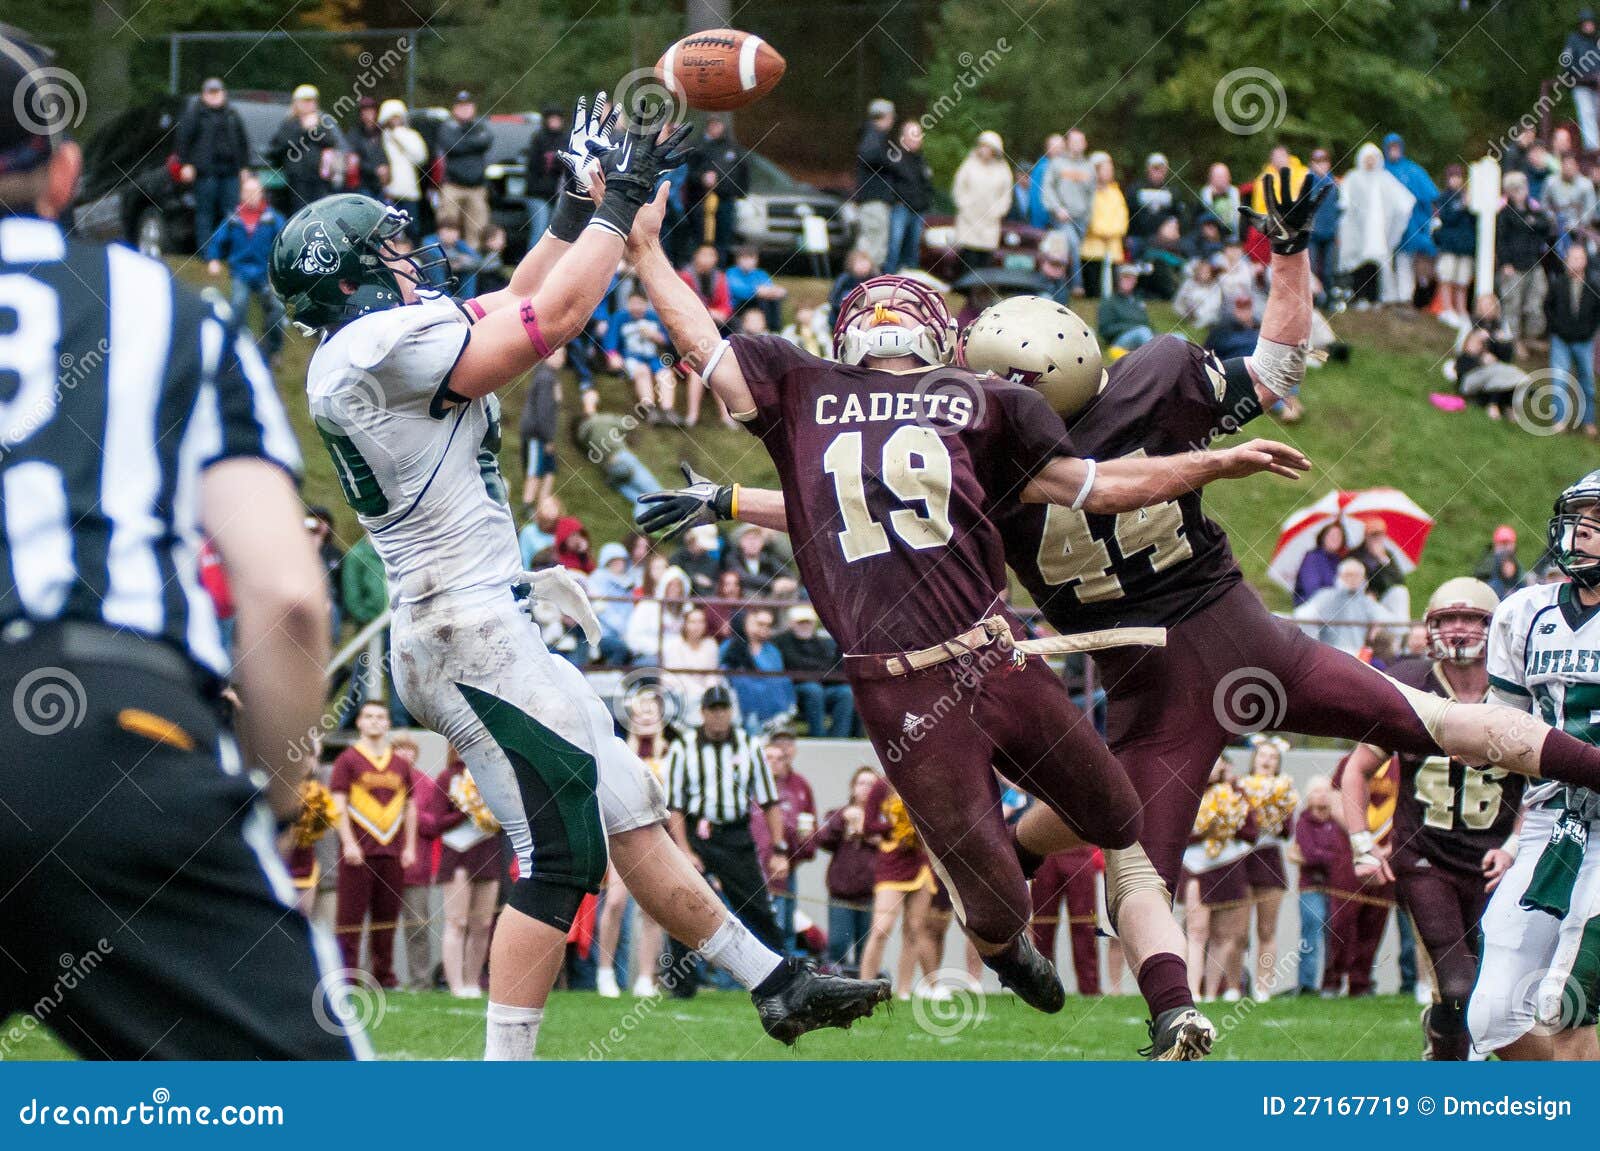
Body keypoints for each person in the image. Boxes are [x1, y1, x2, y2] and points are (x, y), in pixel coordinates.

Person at [654, 166, 1600, 1037]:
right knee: (1443, 720)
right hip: (1246, 638)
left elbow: (849, 495)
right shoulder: (1144, 381)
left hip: (1147, 682)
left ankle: (1171, 1012)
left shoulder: (990, 441)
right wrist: (1288, 253)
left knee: (1131, 853)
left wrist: (728, 496)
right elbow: (1275, 370)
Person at [629, 196, 1319, 1057]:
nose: (884, 332)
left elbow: (1092, 484)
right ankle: (1000, 946)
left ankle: (1039, 916)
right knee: (1000, 904)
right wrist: (648, 249)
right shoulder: (825, 389)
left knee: (1118, 809)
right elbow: (717, 366)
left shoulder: (948, 399)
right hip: (901, 690)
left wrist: (649, 250)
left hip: (992, 657)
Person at [271, 98, 885, 1058]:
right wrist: (622, 206)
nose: (408, 258)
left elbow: (516, 298)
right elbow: (549, 321)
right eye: (387, 251)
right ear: (349, 278)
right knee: (556, 854)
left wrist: (573, 208)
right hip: (459, 629)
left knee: (630, 804)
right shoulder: (365, 352)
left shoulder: (377, 347)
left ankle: (776, 980)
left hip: (482, 621)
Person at [0, 26, 358, 1059]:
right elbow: (289, 597)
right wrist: (276, 791)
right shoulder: (166, 311)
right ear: (64, 170)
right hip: (110, 747)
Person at [1341, 578, 1522, 1059]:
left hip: (1496, 862)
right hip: (1426, 859)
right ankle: (1448, 1064)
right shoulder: (1411, 684)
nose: (1458, 630)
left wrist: (1516, 846)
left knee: (1490, 993)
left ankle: (1444, 1057)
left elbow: (1542, 784)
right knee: (1460, 985)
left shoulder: (1518, 690)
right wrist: (1361, 843)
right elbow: (1357, 771)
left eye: (1470, 619)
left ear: (1494, 627)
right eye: (1446, 619)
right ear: (1429, 628)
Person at [1470, 470, 1600, 1060]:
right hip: (1552, 823)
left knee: (1567, 997)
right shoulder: (1524, 612)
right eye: (1582, 520)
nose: (1585, 534)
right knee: (1493, 1015)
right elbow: (1507, 727)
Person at [664, 686, 789, 992]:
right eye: (713, 709)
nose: (719, 716)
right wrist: (685, 850)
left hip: (735, 834)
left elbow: (769, 801)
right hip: (696, 834)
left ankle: (781, 978)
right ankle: (682, 985)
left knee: (757, 907)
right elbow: (675, 806)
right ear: (703, 713)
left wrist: (779, 848)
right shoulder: (683, 747)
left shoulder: (749, 745)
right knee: (685, 905)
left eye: (723, 709)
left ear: (731, 712)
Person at [330, 701, 420, 989]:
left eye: (380, 716)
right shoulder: (348, 759)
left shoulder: (400, 764)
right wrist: (348, 842)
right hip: (358, 852)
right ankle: (347, 977)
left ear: (387, 723)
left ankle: (384, 977)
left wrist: (409, 847)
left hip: (392, 852)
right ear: (359, 722)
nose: (374, 721)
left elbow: (410, 806)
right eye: (368, 716)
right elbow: (338, 804)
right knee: (350, 918)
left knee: (387, 919)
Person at [424, 750, 505, 998]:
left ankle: (472, 982)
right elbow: (435, 823)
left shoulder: (495, 774)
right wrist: (467, 809)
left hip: (487, 852)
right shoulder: (448, 777)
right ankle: (455, 984)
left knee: (482, 923)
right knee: (457, 922)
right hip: (457, 853)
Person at [856, 776, 942, 993]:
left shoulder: (924, 783)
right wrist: (897, 826)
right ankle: (866, 985)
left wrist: (917, 830)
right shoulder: (881, 786)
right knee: (881, 928)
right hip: (891, 863)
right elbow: (869, 826)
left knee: (914, 929)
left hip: (920, 862)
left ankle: (904, 989)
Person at [1239, 739, 1297, 1002]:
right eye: (1263, 755)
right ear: (1254, 759)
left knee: (1266, 929)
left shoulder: (1285, 790)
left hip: (1269, 856)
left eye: (1273, 757)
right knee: (1238, 930)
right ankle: (1236, 984)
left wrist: (1278, 809)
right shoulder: (1239, 787)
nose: (1267, 760)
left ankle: (1263, 987)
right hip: (1241, 857)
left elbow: (1287, 831)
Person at [208, 172, 286, 362]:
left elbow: (285, 241)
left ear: (261, 193)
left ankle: (273, 350)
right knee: (238, 305)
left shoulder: (272, 218)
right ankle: (238, 347)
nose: (251, 195)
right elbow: (216, 242)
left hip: (265, 274)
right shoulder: (233, 218)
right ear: (241, 194)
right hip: (241, 273)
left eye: (255, 191)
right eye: (247, 191)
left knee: (276, 309)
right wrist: (213, 259)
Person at [750, 730, 815, 952]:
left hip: (787, 866)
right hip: (753, 864)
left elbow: (811, 825)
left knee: (785, 923)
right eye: (770, 757)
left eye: (781, 755)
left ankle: (782, 974)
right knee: (750, 921)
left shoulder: (800, 785)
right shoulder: (750, 786)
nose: (776, 761)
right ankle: (731, 981)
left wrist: (805, 843)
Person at [175, 76, 249, 262]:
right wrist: (186, 164)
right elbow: (183, 140)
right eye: (211, 92)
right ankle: (207, 253)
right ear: (204, 94)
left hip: (230, 171)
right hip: (206, 171)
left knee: (231, 212)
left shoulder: (232, 114)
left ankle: (229, 252)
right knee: (205, 213)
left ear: (223, 94)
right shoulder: (195, 114)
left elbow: (243, 142)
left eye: (218, 92)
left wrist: (244, 167)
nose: (215, 96)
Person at [816, 768, 882, 975]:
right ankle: (833, 984)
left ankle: (864, 985)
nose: (865, 789)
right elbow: (822, 840)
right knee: (837, 944)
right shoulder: (838, 814)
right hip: (841, 893)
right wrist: (843, 821)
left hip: (872, 894)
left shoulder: (884, 819)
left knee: (866, 947)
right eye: (861, 783)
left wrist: (870, 834)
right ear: (853, 788)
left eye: (871, 785)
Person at [1290, 776, 1349, 996]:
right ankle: (1306, 984)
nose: (1322, 795)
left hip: (1337, 887)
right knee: (1311, 931)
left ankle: (1331, 984)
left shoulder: (1340, 821)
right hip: (1311, 887)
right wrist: (1332, 857)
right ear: (1308, 796)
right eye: (1316, 791)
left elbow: (1341, 853)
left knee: (1336, 934)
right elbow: (1311, 854)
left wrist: (1326, 857)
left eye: (1325, 791)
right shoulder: (1303, 821)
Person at [1337, 142, 1413, 308]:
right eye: (1367, 158)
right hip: (1357, 231)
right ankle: (1359, 296)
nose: (1370, 162)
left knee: (1378, 263)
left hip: (1378, 230)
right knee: (1359, 264)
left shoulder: (1384, 179)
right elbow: (1344, 202)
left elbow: (1404, 201)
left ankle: (1377, 297)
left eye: (1373, 158)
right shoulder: (1353, 177)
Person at [1029, 846, 1102, 995]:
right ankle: (1042, 989)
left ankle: (1090, 988)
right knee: (1042, 927)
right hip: (1043, 851)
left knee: (1084, 925)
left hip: (1079, 849)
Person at [1496, 171, 1554, 353]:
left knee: (1536, 301)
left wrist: (1534, 222)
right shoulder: (1504, 214)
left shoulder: (1534, 209)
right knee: (1512, 304)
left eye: (1522, 187)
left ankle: (1531, 337)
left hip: (1534, 263)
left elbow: (1546, 227)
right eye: (1515, 188)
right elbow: (1501, 240)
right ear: (1509, 191)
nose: (1520, 191)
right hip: (1513, 266)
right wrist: (1505, 263)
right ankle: (1514, 340)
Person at [1545, 241, 1600, 435]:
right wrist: (1556, 329)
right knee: (1559, 379)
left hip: (1584, 342)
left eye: (1579, 258)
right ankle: (1559, 419)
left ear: (1585, 261)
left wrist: (1588, 332)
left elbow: (1596, 315)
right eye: (1572, 258)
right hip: (1561, 339)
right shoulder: (1558, 284)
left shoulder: (1593, 287)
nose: (1575, 262)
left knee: (1587, 381)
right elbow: (1548, 308)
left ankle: (1588, 420)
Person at [775, 604, 853, 737]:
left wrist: (813, 671)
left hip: (820, 686)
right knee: (813, 690)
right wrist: (816, 672)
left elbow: (829, 666)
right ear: (791, 623)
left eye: (808, 622)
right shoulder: (781, 641)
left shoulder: (821, 643)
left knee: (845, 692)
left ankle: (839, 738)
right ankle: (818, 736)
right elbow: (792, 664)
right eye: (800, 622)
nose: (805, 625)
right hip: (793, 689)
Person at [267, 84, 347, 210]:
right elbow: (278, 148)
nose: (310, 105)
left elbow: (331, 142)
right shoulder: (289, 123)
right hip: (298, 179)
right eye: (306, 102)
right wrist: (303, 130)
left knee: (322, 210)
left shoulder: (322, 123)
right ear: (297, 103)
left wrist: (315, 129)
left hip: (320, 179)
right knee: (301, 212)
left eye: (312, 101)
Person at [1293, 557, 1394, 656]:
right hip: (1329, 653)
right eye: (1349, 575)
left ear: (1364, 579)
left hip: (1357, 655)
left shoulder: (1366, 601)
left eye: (1358, 576)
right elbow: (1303, 615)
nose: (1353, 579)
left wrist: (1378, 625)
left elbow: (1390, 621)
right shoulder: (1326, 596)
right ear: (1339, 576)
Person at [685, 117, 749, 266]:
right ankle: (696, 269)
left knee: (723, 238)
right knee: (699, 237)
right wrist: (702, 178)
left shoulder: (732, 148)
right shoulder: (698, 147)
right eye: (712, 124)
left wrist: (741, 193)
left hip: (725, 200)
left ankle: (719, 270)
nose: (716, 128)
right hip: (699, 201)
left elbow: (744, 172)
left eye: (718, 124)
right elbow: (687, 173)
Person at [1382, 133, 1437, 305]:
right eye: (1391, 148)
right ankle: (1387, 296)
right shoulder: (1381, 171)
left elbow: (1431, 196)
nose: (1394, 151)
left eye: (1397, 147)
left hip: (1409, 227)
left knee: (1405, 260)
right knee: (1384, 261)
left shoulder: (1412, 170)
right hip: (1385, 226)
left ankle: (1405, 297)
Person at [434, 90, 493, 250]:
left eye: (468, 106)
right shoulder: (447, 127)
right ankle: (448, 260)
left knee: (478, 228)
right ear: (454, 109)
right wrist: (472, 143)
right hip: (453, 186)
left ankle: (473, 262)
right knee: (448, 224)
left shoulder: (481, 126)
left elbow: (487, 141)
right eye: (460, 106)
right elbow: (451, 145)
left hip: (477, 188)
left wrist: (462, 142)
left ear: (474, 108)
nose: (464, 110)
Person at [720, 606, 794, 732]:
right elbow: (723, 672)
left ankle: (773, 722)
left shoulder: (772, 651)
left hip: (768, 698)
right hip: (738, 696)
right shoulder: (729, 646)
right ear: (746, 623)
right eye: (759, 624)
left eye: (768, 625)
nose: (764, 628)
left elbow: (778, 678)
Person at [1039, 128, 1095, 292]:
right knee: (1072, 243)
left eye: (1080, 141)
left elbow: (1091, 194)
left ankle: (1060, 286)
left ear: (1085, 144)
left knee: (1071, 250)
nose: (1077, 145)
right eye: (1073, 141)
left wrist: (1088, 216)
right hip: (1062, 217)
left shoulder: (1089, 167)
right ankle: (1077, 285)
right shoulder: (1056, 163)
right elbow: (1047, 189)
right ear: (1068, 143)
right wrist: (1057, 209)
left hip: (1081, 218)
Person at [951, 130, 1012, 269]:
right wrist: (965, 206)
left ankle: (981, 291)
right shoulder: (969, 164)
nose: (984, 150)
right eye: (982, 146)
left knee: (984, 265)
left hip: (989, 224)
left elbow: (1006, 196)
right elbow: (958, 188)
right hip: (969, 222)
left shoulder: (1003, 169)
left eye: (988, 147)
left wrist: (997, 212)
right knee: (967, 262)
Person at [853, 98, 897, 269]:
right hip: (873, 200)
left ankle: (869, 280)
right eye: (891, 117)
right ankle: (869, 282)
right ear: (884, 117)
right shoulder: (873, 136)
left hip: (873, 200)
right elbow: (869, 156)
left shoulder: (873, 136)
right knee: (873, 244)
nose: (892, 121)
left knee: (874, 242)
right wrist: (891, 162)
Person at [886, 120, 933, 274]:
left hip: (918, 210)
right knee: (894, 245)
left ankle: (911, 283)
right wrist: (896, 200)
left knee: (913, 249)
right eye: (913, 135)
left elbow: (927, 185)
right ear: (902, 137)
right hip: (901, 208)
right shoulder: (894, 158)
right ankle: (888, 277)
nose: (917, 138)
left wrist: (925, 203)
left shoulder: (921, 160)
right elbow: (889, 183)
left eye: (918, 135)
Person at [1081, 151, 1128, 298]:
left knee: (1111, 289)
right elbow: (1088, 217)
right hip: (1092, 250)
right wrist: (1102, 232)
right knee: (1094, 290)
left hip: (1113, 249)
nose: (1109, 173)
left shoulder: (1115, 192)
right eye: (1105, 169)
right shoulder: (1088, 192)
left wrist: (1113, 232)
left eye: (1110, 169)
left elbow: (1122, 217)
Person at [1433, 164, 1476, 327]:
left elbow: (1474, 221)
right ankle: (1446, 308)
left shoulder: (1470, 197)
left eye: (1458, 177)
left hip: (1465, 246)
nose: (1456, 180)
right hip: (1449, 245)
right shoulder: (1443, 198)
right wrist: (1462, 207)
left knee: (1462, 280)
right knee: (1447, 277)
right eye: (1452, 177)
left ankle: (1461, 310)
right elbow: (1447, 218)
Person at [377, 99, 428, 234]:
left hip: (408, 190)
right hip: (387, 191)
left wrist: (399, 135)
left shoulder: (411, 135)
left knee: (411, 227)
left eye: (398, 116)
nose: (395, 120)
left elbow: (420, 157)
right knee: (388, 228)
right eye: (392, 117)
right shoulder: (380, 137)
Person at [519, 347, 561, 508]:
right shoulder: (546, 378)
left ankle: (542, 505)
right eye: (559, 355)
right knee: (535, 469)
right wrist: (548, 438)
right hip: (536, 433)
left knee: (550, 469)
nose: (562, 359)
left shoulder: (549, 377)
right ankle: (527, 503)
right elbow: (543, 410)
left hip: (541, 432)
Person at [523, 105, 567, 242]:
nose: (555, 122)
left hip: (558, 193)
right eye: (552, 119)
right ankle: (532, 261)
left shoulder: (566, 140)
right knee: (539, 231)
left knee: (556, 232)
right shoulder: (538, 139)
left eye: (557, 119)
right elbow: (533, 167)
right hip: (537, 193)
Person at [726, 245, 786, 332]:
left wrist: (778, 291)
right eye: (744, 258)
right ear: (738, 260)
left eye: (751, 258)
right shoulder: (731, 272)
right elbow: (737, 291)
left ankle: (774, 329)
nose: (748, 261)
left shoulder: (760, 273)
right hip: (739, 307)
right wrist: (756, 290)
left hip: (760, 304)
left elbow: (770, 289)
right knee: (761, 298)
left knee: (772, 299)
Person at [1098, 263, 1154, 351]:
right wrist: (1132, 327)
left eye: (1131, 278)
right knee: (1142, 332)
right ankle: (1156, 358)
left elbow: (1147, 324)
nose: (1128, 281)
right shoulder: (1109, 301)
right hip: (1119, 341)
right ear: (1118, 279)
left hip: (1143, 335)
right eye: (1125, 277)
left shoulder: (1138, 302)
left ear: (1135, 281)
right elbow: (1105, 330)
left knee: (1176, 337)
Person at [1567, 9, 1600, 152]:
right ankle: (1593, 150)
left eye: (1590, 23)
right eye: (1585, 23)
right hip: (1581, 85)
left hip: (1597, 85)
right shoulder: (1573, 40)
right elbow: (1567, 62)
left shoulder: (1596, 40)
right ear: (1581, 25)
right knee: (1587, 114)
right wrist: (1582, 75)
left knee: (1596, 115)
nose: (1588, 26)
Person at [1198, 162, 1241, 239]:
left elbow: (1238, 218)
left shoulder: (1234, 192)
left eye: (1225, 176)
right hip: (1212, 238)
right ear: (1211, 179)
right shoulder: (1205, 194)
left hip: (1233, 236)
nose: (1223, 179)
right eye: (1219, 177)